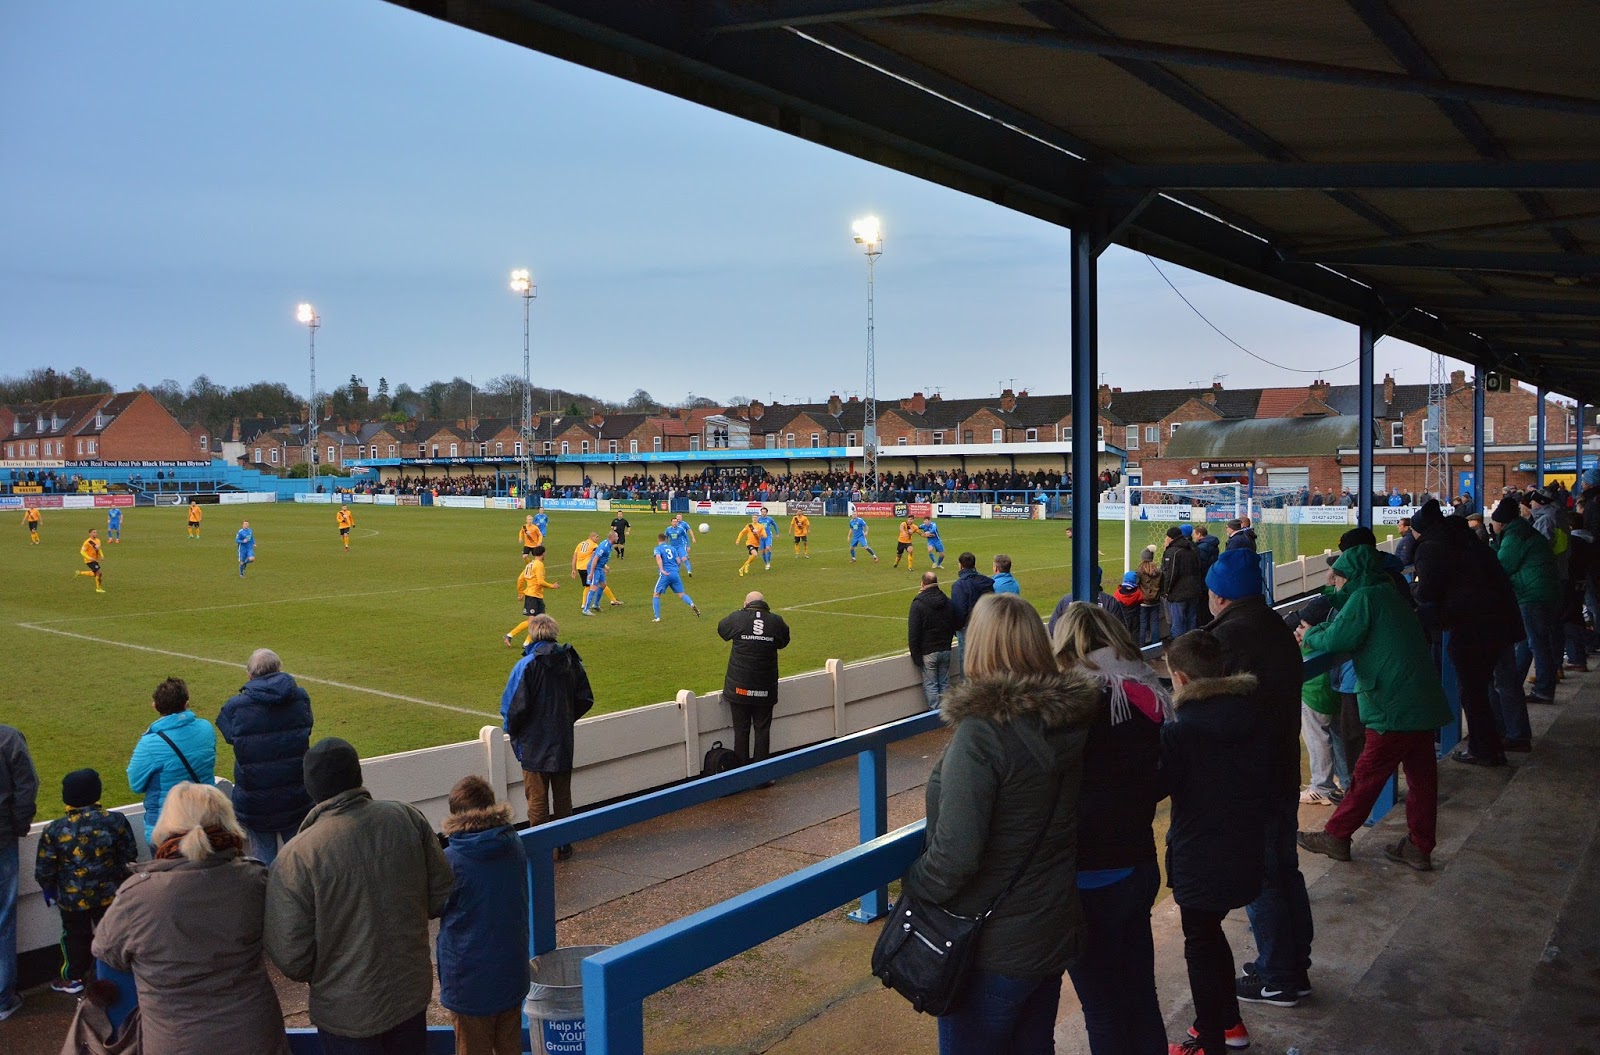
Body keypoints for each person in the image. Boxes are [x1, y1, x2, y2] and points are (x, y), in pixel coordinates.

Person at [900, 592, 1098, 1053]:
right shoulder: (1067, 719)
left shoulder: (982, 736)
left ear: (979, 648)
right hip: (1048, 932)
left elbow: (955, 857)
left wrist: (911, 882)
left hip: (993, 947)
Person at [266, 738, 453, 1051]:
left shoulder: (296, 857)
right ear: (357, 775)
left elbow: (292, 958)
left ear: (311, 787)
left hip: (347, 1012)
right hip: (407, 995)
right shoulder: (406, 818)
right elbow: (439, 896)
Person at [1049, 603, 1170, 1055]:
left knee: (1102, 1006)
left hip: (1092, 877)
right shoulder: (1144, 688)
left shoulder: (1074, 707)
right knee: (1140, 995)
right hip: (1138, 863)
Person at [93, 782, 289, 1055]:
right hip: (253, 1032)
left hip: (175, 1041)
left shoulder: (137, 895)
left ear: (167, 825)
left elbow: (108, 954)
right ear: (225, 822)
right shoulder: (255, 879)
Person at [1199, 548, 1314, 1011]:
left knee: (1262, 876)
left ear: (1219, 596)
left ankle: (1280, 977)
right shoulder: (1274, 628)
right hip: (1281, 767)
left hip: (1249, 777)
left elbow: (1210, 712)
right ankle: (1290, 966)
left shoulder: (1227, 640)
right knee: (1284, 870)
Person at [1297, 544, 1453, 871]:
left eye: (1337, 577)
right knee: (1422, 778)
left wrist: (1310, 636)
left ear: (1349, 578)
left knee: (1367, 774)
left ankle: (1337, 835)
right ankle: (1419, 846)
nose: (1332, 582)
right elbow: (1347, 617)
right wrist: (1333, 598)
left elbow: (1339, 638)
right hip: (1417, 700)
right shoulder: (1383, 593)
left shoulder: (1366, 598)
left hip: (1392, 703)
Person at [1161, 630, 1273, 1055]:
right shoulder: (1254, 715)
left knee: (1200, 943)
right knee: (1208, 935)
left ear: (1183, 680)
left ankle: (1210, 1043)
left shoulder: (1182, 731)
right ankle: (1227, 1025)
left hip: (1200, 854)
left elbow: (1153, 786)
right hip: (1246, 845)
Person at [1409, 499, 1524, 764]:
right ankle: (1493, 744)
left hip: (1473, 626)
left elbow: (1427, 591)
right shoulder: (1465, 542)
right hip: (1499, 622)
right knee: (1487, 687)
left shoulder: (1432, 547)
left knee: (1473, 691)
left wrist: (1412, 590)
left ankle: (1484, 750)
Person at [437, 776, 529, 1055]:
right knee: (509, 1045)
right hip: (511, 969)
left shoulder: (453, 859)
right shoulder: (512, 844)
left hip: (469, 979)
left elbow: (433, 905)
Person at [33, 769, 137, 995]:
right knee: (113, 933)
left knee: (74, 937)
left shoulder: (55, 829)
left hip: (73, 899)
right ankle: (117, 971)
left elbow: (45, 867)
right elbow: (129, 854)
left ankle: (74, 978)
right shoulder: (115, 820)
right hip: (111, 893)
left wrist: (48, 888)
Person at [501, 615, 594, 858]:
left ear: (532, 635)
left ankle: (542, 850)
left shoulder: (527, 665)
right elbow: (585, 698)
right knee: (563, 797)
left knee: (537, 799)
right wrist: (565, 718)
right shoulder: (571, 660)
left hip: (533, 742)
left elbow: (513, 707)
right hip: (562, 739)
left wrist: (515, 731)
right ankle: (563, 845)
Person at [217, 648, 315, 866]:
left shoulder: (236, 706)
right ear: (279, 669)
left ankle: (270, 898)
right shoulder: (300, 698)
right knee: (300, 859)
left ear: (249, 675)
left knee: (264, 863)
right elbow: (306, 728)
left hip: (257, 799)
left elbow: (229, 734)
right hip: (295, 793)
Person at [127, 676, 218, 846]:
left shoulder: (149, 743)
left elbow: (135, 784)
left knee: (169, 872)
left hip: (168, 827)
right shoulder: (205, 728)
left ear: (155, 706)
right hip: (205, 818)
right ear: (186, 703)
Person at [1492, 496, 1560, 707]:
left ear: (1500, 523)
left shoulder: (1514, 536)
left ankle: (1544, 690)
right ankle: (1518, 683)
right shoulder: (1521, 531)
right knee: (1528, 642)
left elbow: (1502, 567)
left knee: (1537, 644)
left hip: (1533, 595)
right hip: (1542, 591)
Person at [718, 592, 792, 764]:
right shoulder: (775, 621)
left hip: (739, 686)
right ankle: (761, 775)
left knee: (741, 730)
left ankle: (742, 774)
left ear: (746, 604)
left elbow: (722, 630)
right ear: (763, 603)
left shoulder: (738, 617)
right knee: (762, 729)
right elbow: (783, 642)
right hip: (765, 686)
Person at [1290, 600, 1348, 805]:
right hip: (1333, 691)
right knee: (1338, 736)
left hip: (1313, 695)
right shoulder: (1331, 635)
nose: (1299, 629)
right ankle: (1344, 781)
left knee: (1317, 740)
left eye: (1303, 625)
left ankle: (1321, 787)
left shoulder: (1309, 640)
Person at [0, 724, 37, 1020]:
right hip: (2, 839)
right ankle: (2, 999)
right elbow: (27, 785)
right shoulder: (8, 738)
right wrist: (19, 825)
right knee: (3, 919)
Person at [908, 572, 958, 709]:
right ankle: (947, 713)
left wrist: (915, 655)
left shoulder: (918, 604)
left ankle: (935, 718)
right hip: (945, 648)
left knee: (931, 685)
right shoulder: (947, 601)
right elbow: (954, 623)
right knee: (944, 682)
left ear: (922, 584)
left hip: (928, 650)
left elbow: (913, 632)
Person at [506, 545, 560, 646]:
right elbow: (540, 582)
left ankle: (521, 641)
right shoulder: (539, 565)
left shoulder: (530, 564)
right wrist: (552, 586)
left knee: (537, 621)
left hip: (535, 595)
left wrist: (521, 592)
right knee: (534, 621)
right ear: (543, 553)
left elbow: (520, 579)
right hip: (533, 595)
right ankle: (519, 640)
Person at [651, 532, 700, 622]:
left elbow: (658, 558)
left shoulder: (657, 549)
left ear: (658, 540)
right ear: (666, 540)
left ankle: (657, 617)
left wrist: (662, 569)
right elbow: (678, 561)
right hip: (675, 573)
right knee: (681, 594)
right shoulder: (672, 548)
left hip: (665, 574)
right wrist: (676, 569)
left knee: (656, 594)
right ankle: (692, 604)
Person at [581, 530, 620, 615]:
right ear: (612, 537)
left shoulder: (609, 544)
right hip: (595, 568)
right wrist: (591, 573)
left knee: (603, 585)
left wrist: (603, 567)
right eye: (616, 536)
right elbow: (595, 559)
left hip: (599, 568)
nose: (618, 538)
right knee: (593, 588)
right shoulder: (605, 546)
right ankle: (586, 609)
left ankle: (596, 605)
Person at [1136, 546, 1163, 647]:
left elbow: (1136, 585)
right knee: (1155, 624)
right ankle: (1155, 646)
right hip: (1155, 601)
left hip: (1143, 602)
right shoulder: (1158, 571)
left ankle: (1141, 647)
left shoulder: (1139, 572)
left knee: (1142, 625)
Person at [1108, 570, 1143, 640]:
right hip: (1134, 618)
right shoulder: (1138, 593)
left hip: (1123, 617)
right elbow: (1141, 599)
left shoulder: (1118, 593)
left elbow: (1115, 600)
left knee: (1123, 635)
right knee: (1135, 635)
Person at [77, 526, 106, 592]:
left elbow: (98, 549)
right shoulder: (87, 542)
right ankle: (98, 588)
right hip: (89, 561)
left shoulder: (98, 540)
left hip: (95, 559)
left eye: (96, 532)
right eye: (94, 532)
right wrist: (89, 558)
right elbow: (82, 551)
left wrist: (101, 555)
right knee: (99, 573)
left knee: (95, 574)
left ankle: (80, 573)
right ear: (90, 534)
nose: (96, 533)